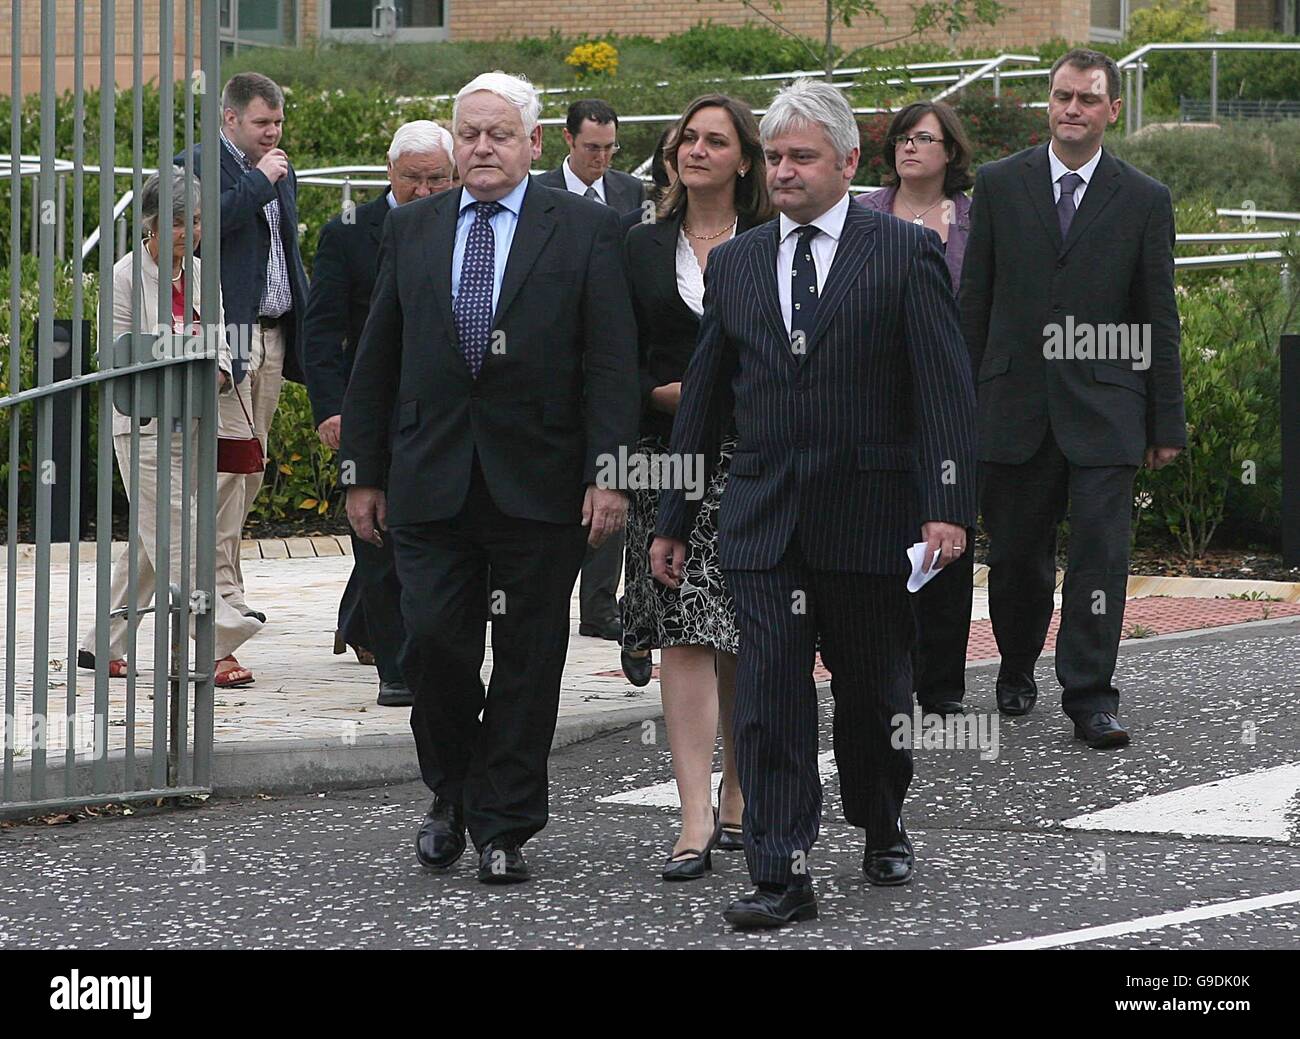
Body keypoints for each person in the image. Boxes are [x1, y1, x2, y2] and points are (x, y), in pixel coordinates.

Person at [651, 79, 976, 929]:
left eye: (802, 157)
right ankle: (781, 868)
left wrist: (947, 505)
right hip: (764, 521)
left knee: (872, 694)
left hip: (869, 518)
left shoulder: (902, 254)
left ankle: (880, 815)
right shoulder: (742, 261)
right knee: (767, 698)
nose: (785, 172)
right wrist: (675, 517)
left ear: (848, 161)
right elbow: (705, 401)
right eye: (778, 157)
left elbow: (944, 391)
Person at [340, 72, 639, 885]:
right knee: (432, 646)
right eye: (468, 132)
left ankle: (505, 823)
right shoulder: (415, 228)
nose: (480, 147)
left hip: (539, 489)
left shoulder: (584, 230)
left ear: (533, 144)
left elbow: (612, 365)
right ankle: (451, 794)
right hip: (429, 482)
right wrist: (362, 470)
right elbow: (378, 358)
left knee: (529, 659)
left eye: (499, 134)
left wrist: (609, 473)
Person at [959, 49, 1185, 748]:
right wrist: (959, 406)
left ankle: (1091, 694)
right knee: (1018, 554)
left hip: (1106, 410)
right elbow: (976, 300)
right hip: (1015, 405)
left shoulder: (1144, 198)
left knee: (1099, 558)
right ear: (1048, 104)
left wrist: (1164, 418)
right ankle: (1018, 662)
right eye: (1062, 97)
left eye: (1088, 98)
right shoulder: (998, 185)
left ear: (1112, 109)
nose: (1072, 109)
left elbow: (1158, 315)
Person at [622, 94, 774, 880]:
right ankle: (693, 816)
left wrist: (725, 395)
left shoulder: (774, 243)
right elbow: (620, 354)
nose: (698, 150)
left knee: (744, 626)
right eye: (687, 138)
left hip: (756, 459)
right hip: (665, 462)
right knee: (682, 624)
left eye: (717, 141)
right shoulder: (640, 247)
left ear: (745, 158)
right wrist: (664, 395)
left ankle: (744, 787)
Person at [78, 170, 262, 687]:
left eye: (197, 221)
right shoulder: (122, 277)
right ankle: (217, 643)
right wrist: (181, 355)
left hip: (198, 418)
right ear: (152, 224)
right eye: (179, 222)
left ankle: (101, 643)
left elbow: (222, 341)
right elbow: (119, 356)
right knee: (179, 533)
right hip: (144, 425)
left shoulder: (205, 273)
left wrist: (221, 368)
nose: (190, 232)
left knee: (154, 537)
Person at [302, 120, 457, 708]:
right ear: (390, 173)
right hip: (372, 411)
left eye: (436, 179)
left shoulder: (469, 223)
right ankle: (395, 667)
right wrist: (331, 409)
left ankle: (417, 645)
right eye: (413, 179)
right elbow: (322, 333)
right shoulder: (348, 233)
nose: (424, 191)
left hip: (445, 413)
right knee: (377, 536)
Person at [177, 71, 309, 625]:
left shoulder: (281, 169)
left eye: (278, 122)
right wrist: (256, 180)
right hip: (230, 333)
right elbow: (201, 232)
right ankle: (221, 592)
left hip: (274, 331)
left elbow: (285, 248)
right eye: (262, 122)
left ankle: (224, 580)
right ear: (230, 119)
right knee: (228, 467)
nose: (273, 133)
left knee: (250, 468)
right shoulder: (199, 163)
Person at [858, 100, 975, 718]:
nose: (910, 148)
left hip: (951, 393)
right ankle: (887, 671)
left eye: (924, 139)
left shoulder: (975, 221)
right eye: (902, 138)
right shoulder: (863, 212)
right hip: (878, 394)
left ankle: (942, 686)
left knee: (948, 531)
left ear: (950, 152)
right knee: (886, 535)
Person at [537, 99, 648, 642]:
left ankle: (601, 607)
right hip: (554, 356)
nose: (601, 158)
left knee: (611, 482)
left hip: (609, 352)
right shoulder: (537, 192)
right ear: (567, 140)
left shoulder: (631, 194)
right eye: (591, 148)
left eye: (609, 148)